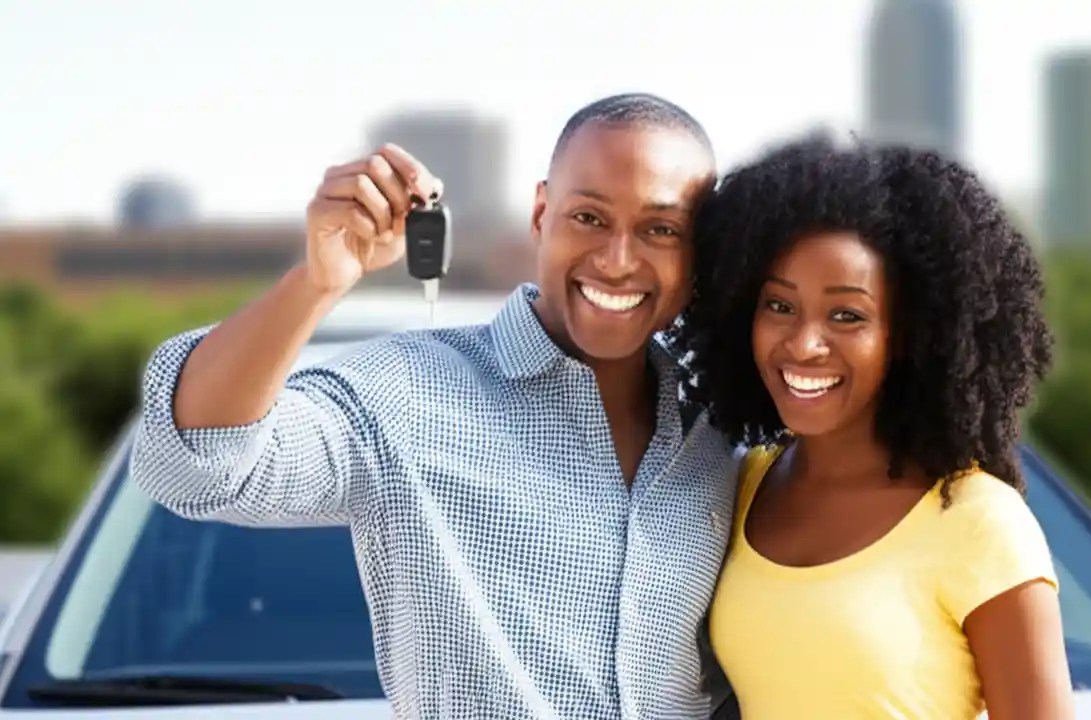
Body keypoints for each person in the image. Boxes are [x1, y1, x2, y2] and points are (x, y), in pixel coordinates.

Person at [129, 93, 739, 719]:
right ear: (540, 214)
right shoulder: (406, 391)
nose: (617, 260)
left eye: (661, 230)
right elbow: (196, 466)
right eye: (589, 218)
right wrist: (316, 282)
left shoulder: (724, 432)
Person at [675, 136, 1074, 719]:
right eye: (779, 306)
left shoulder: (976, 520)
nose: (804, 344)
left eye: (847, 316)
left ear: (909, 335)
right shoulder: (743, 485)